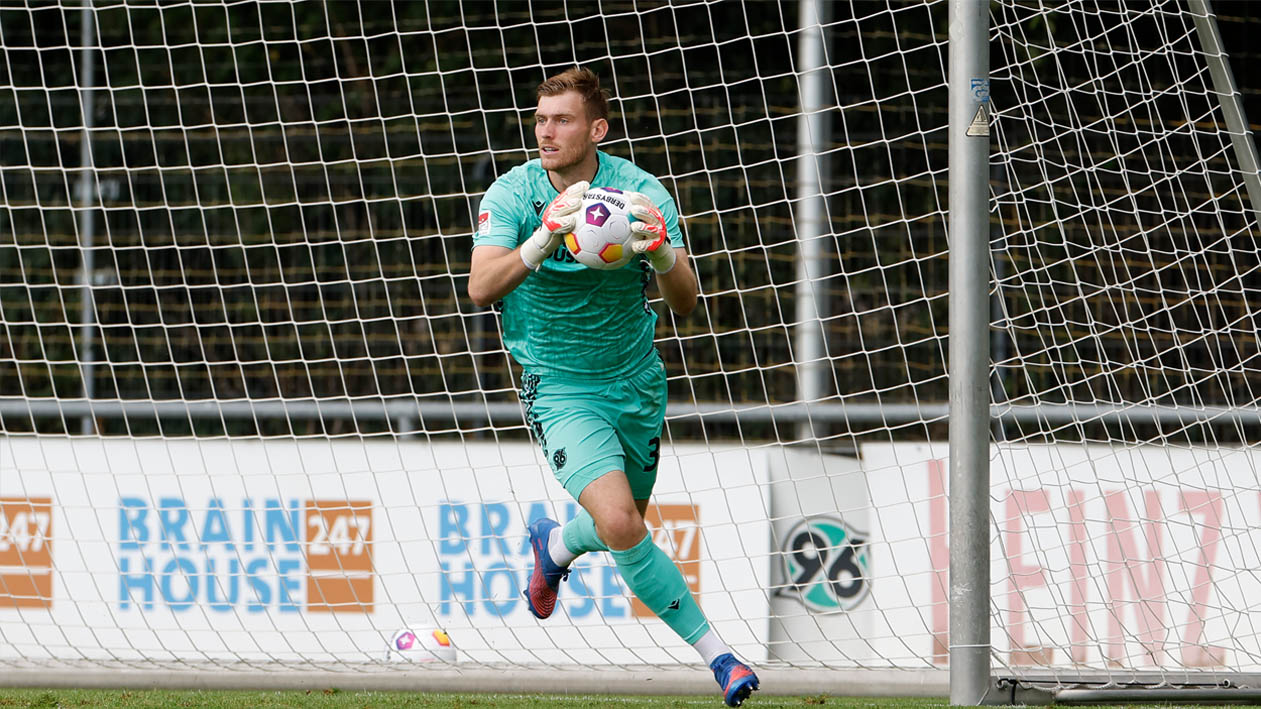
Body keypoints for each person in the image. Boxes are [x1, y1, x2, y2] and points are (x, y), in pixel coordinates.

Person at [467, 67, 759, 707]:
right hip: (560, 385)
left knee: (615, 524)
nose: (547, 131)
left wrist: (660, 255)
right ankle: (721, 659)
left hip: (635, 382)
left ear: (596, 129)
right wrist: (544, 235)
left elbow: (686, 302)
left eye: (562, 120)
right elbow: (481, 287)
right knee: (623, 521)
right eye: (541, 119)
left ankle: (555, 545)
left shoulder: (639, 192)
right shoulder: (513, 194)